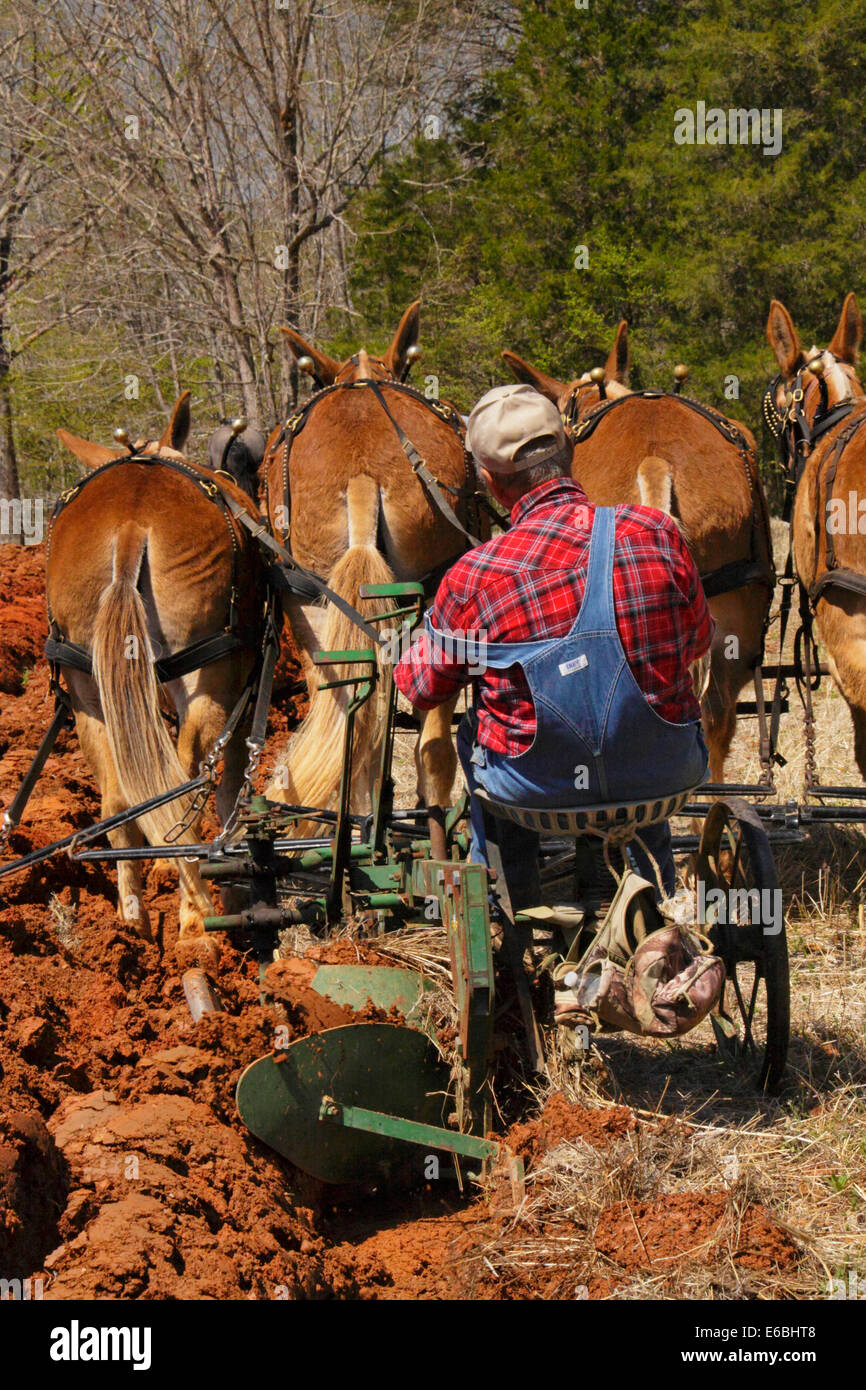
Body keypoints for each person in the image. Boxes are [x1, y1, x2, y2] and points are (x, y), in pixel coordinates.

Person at [393, 383, 713, 908]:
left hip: (534, 793)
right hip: (665, 775)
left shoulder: (473, 576)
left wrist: (417, 643)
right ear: (569, 449)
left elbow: (424, 688)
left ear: (490, 482)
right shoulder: (656, 531)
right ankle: (650, 899)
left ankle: (513, 902)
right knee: (640, 725)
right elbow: (699, 640)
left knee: (481, 730)